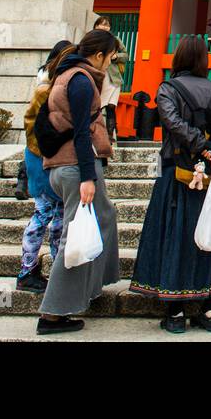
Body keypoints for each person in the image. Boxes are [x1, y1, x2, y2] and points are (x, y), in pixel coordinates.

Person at [129, 35, 211, 334]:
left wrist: (202, 146)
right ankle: (209, 308)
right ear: (204, 59)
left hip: (177, 172)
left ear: (178, 58)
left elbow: (172, 123)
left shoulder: (168, 89)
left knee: (175, 234)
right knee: (209, 235)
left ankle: (175, 311)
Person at [37, 30, 122, 335]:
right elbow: (83, 132)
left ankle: (92, 284)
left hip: (61, 165)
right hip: (77, 166)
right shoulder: (82, 80)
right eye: (111, 56)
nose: (111, 61)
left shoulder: (63, 75)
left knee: (104, 218)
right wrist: (88, 175)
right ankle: (52, 312)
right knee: (73, 239)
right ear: (99, 55)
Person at [15, 39, 70, 293]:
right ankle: (27, 269)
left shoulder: (61, 89)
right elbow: (31, 126)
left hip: (56, 158)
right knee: (43, 213)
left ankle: (58, 270)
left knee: (59, 217)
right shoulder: (43, 92)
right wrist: (46, 150)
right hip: (41, 158)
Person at [92, 16, 125, 145]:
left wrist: (116, 56)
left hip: (113, 77)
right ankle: (96, 133)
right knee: (98, 106)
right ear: (96, 26)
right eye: (101, 24)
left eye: (107, 25)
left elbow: (125, 54)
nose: (104, 27)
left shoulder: (114, 40)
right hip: (98, 75)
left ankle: (110, 136)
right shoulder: (92, 39)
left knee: (111, 106)